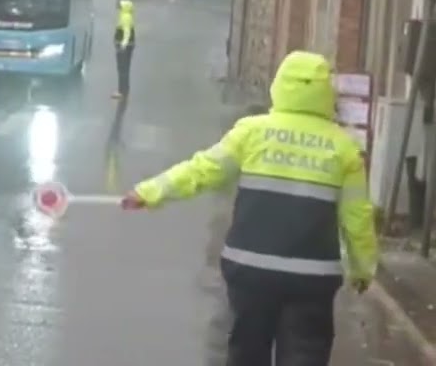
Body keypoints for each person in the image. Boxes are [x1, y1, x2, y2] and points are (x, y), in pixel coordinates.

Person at [121, 50, 377, 365]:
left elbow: (202, 170)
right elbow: (357, 217)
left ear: (279, 85)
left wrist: (149, 192)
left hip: (250, 268)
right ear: (326, 92)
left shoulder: (252, 132)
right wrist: (363, 269)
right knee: (305, 353)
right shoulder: (344, 147)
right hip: (312, 278)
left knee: (247, 351)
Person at [113, 0, 135, 99]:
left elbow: (126, 32)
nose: (119, 7)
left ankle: (122, 91)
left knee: (122, 69)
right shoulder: (127, 16)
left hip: (124, 47)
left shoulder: (125, 17)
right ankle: (125, 90)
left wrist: (123, 44)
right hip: (128, 46)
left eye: (121, 6)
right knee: (125, 68)